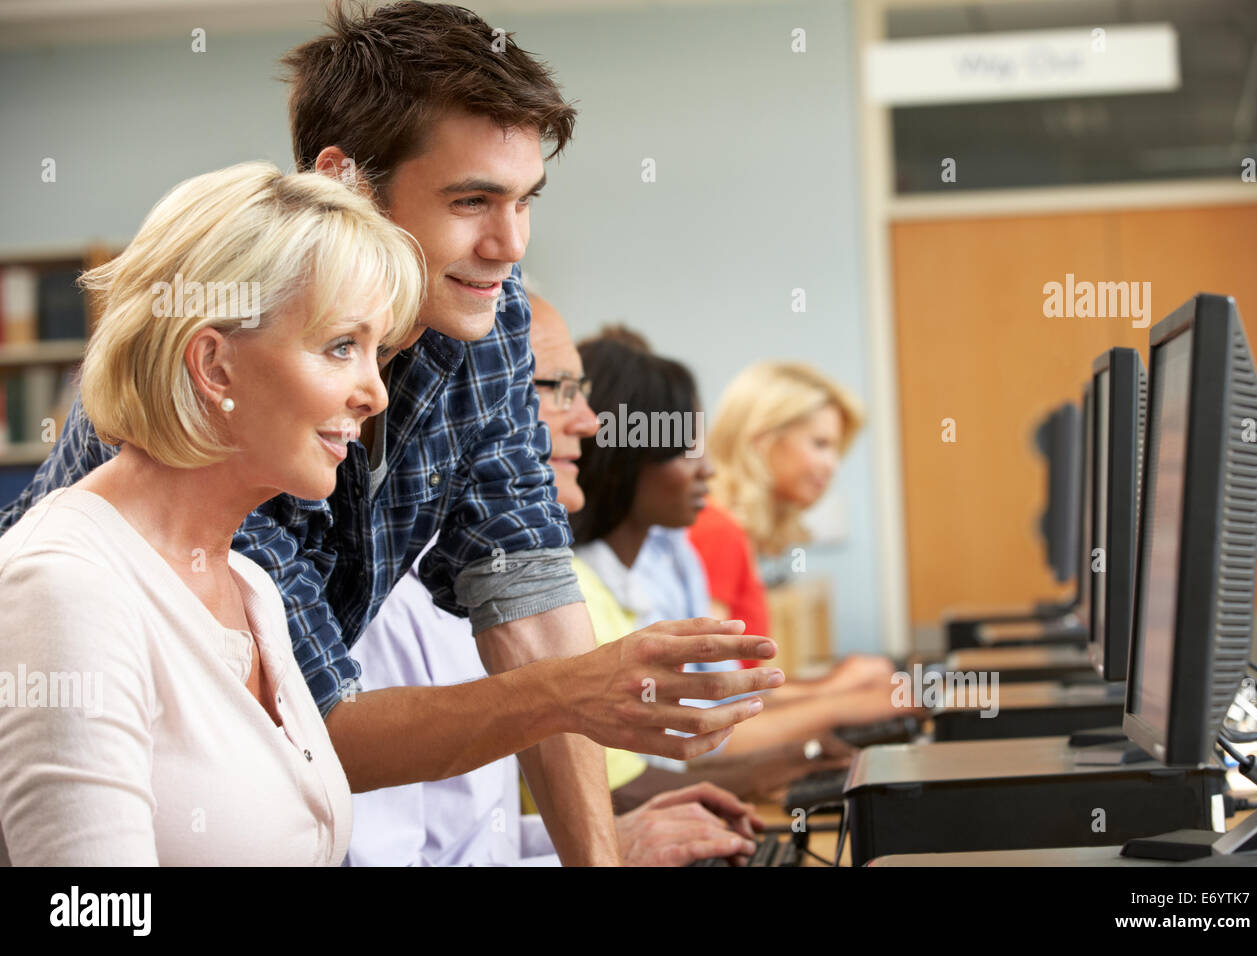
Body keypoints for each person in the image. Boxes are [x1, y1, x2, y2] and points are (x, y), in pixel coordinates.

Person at [0, 2, 776, 865]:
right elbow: (328, 734)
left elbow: (524, 595)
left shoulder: (249, 586)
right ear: (345, 180)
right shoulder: (89, 568)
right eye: (472, 199)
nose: (510, 244)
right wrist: (567, 693)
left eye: (525, 201)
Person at [0, 163, 425, 864]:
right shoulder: (66, 585)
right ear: (214, 366)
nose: (374, 393)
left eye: (376, 352)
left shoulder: (251, 588)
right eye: (342, 346)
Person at [346, 295, 763, 866]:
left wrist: (622, 837)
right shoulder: (383, 605)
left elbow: (476, 843)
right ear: (466, 404)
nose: (590, 423)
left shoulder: (486, 586)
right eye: (553, 388)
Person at [570, 331, 902, 807]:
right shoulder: (695, 540)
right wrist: (840, 706)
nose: (708, 469)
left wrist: (807, 739)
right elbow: (707, 717)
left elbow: (709, 705)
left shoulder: (639, 570)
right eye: (820, 444)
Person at [691, 360, 897, 697]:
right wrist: (835, 689)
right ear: (762, 440)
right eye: (820, 444)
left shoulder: (731, 531)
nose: (832, 465)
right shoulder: (718, 531)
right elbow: (708, 695)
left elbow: (737, 691)